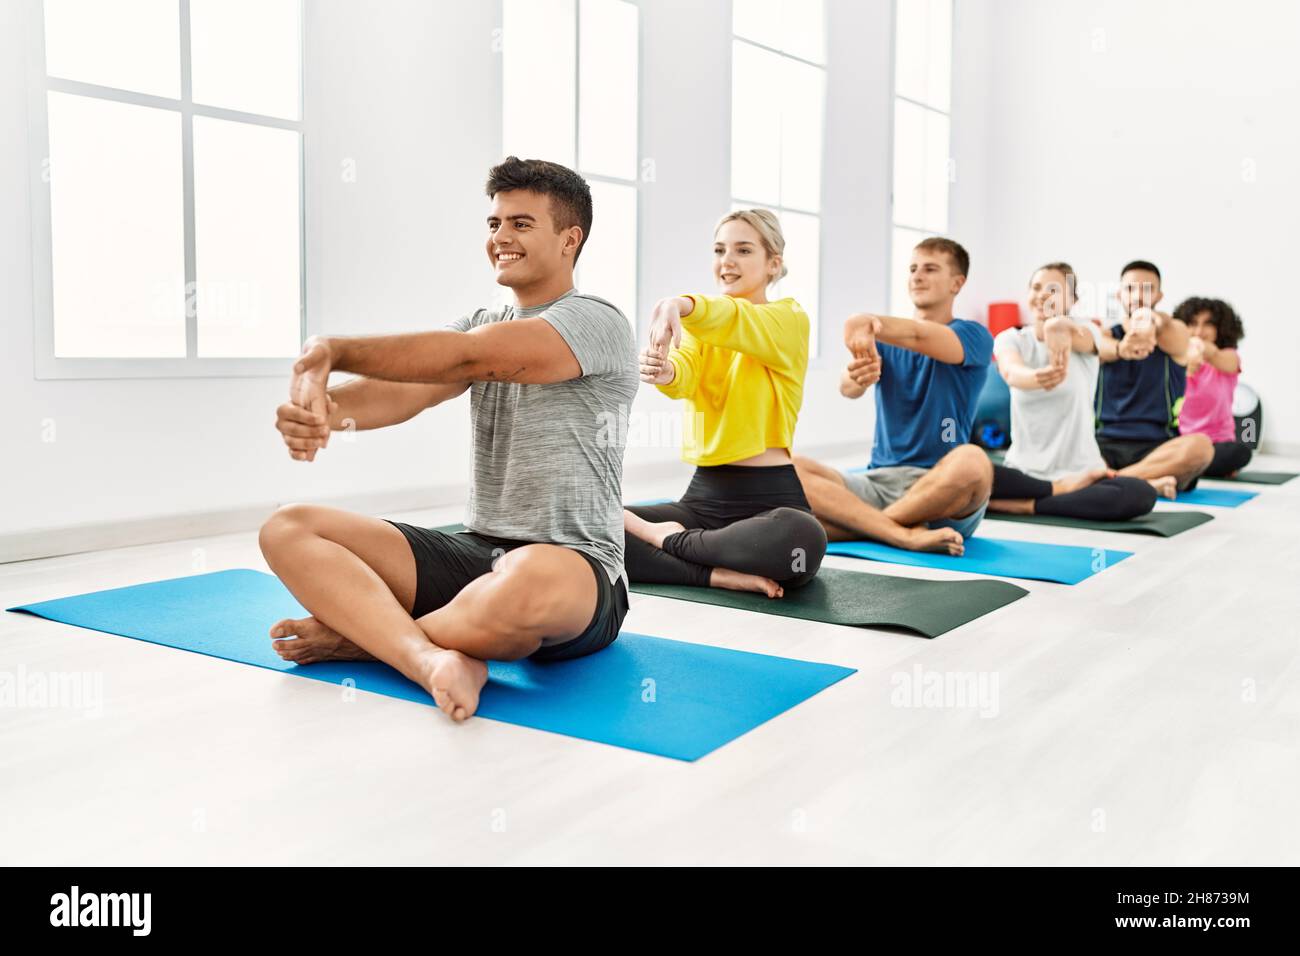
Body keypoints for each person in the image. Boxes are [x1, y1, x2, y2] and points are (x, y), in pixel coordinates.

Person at [258, 157, 637, 722]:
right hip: (476, 551)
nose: (501, 237)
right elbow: (404, 391)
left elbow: (471, 355)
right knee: (288, 527)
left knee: (526, 579)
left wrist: (331, 349)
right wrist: (323, 411)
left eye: (521, 223)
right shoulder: (481, 319)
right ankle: (427, 659)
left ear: (569, 239)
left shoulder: (596, 321)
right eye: (494, 223)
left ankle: (359, 641)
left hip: (577, 568)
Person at [625, 209, 826, 597]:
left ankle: (669, 544)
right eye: (719, 250)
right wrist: (665, 370)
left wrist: (680, 304)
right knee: (583, 524)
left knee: (802, 543)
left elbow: (738, 320)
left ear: (774, 264)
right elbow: (686, 371)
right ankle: (714, 573)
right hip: (704, 500)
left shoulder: (789, 320)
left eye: (743, 250)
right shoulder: (702, 327)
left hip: (773, 500)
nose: (726, 261)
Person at [793, 237, 993, 556]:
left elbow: (918, 334)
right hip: (876, 483)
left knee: (974, 461)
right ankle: (900, 533)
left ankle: (870, 527)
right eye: (913, 268)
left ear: (958, 283)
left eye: (930, 268)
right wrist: (856, 377)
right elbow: (847, 387)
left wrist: (863, 321)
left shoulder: (973, 336)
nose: (917, 276)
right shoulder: (885, 341)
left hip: (941, 492)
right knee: (787, 465)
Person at [988, 263, 1160, 519]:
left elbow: (1083, 339)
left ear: (1073, 299)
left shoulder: (1087, 331)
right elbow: (1012, 372)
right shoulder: (1011, 338)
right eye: (1036, 287)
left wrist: (1058, 325)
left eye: (1053, 289)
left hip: (1082, 472)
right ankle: (1057, 492)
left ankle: (1026, 505)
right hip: (1024, 472)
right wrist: (1038, 377)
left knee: (1139, 494)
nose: (1043, 295)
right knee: (971, 472)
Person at [1093, 260, 1213, 492]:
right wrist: (1122, 348)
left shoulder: (1174, 332)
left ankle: (1111, 482)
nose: (1138, 295)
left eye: (1147, 289)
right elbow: (1098, 346)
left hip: (1157, 448)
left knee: (1201, 447)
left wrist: (1150, 321)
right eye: (1130, 288)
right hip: (1103, 444)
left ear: (1159, 295)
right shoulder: (1104, 335)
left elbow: (1174, 332)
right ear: (1119, 294)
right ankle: (1145, 483)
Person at [1173, 296, 1251, 478]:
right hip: (1180, 443)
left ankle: (1185, 467)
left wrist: (1199, 349)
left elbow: (1215, 355)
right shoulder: (1173, 361)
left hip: (1216, 444)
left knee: (1239, 453)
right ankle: (1188, 466)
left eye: (1208, 324)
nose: (1199, 331)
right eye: (1192, 323)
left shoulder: (1229, 357)